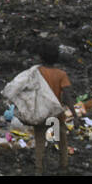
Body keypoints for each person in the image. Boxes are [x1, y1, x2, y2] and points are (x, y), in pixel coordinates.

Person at [33, 42, 73, 174]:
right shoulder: (61, 74)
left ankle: (39, 169)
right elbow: (67, 96)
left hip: (41, 114)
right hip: (56, 116)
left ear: (41, 57)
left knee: (40, 141)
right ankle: (63, 166)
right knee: (61, 139)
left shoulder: (36, 73)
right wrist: (75, 115)